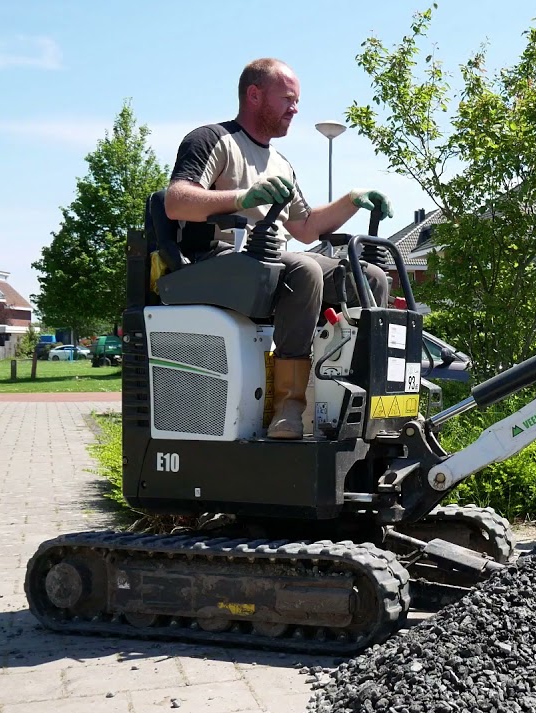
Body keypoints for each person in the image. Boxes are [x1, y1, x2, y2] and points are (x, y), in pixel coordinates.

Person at [164, 57, 393, 440]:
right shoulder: (211, 140)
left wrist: (352, 199)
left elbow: (304, 228)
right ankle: (289, 407)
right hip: (219, 263)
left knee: (368, 276)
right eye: (287, 99)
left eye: (296, 100)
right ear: (254, 95)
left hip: (270, 259)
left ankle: (367, 400)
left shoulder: (281, 163)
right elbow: (176, 200)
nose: (295, 109)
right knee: (304, 270)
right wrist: (242, 198)